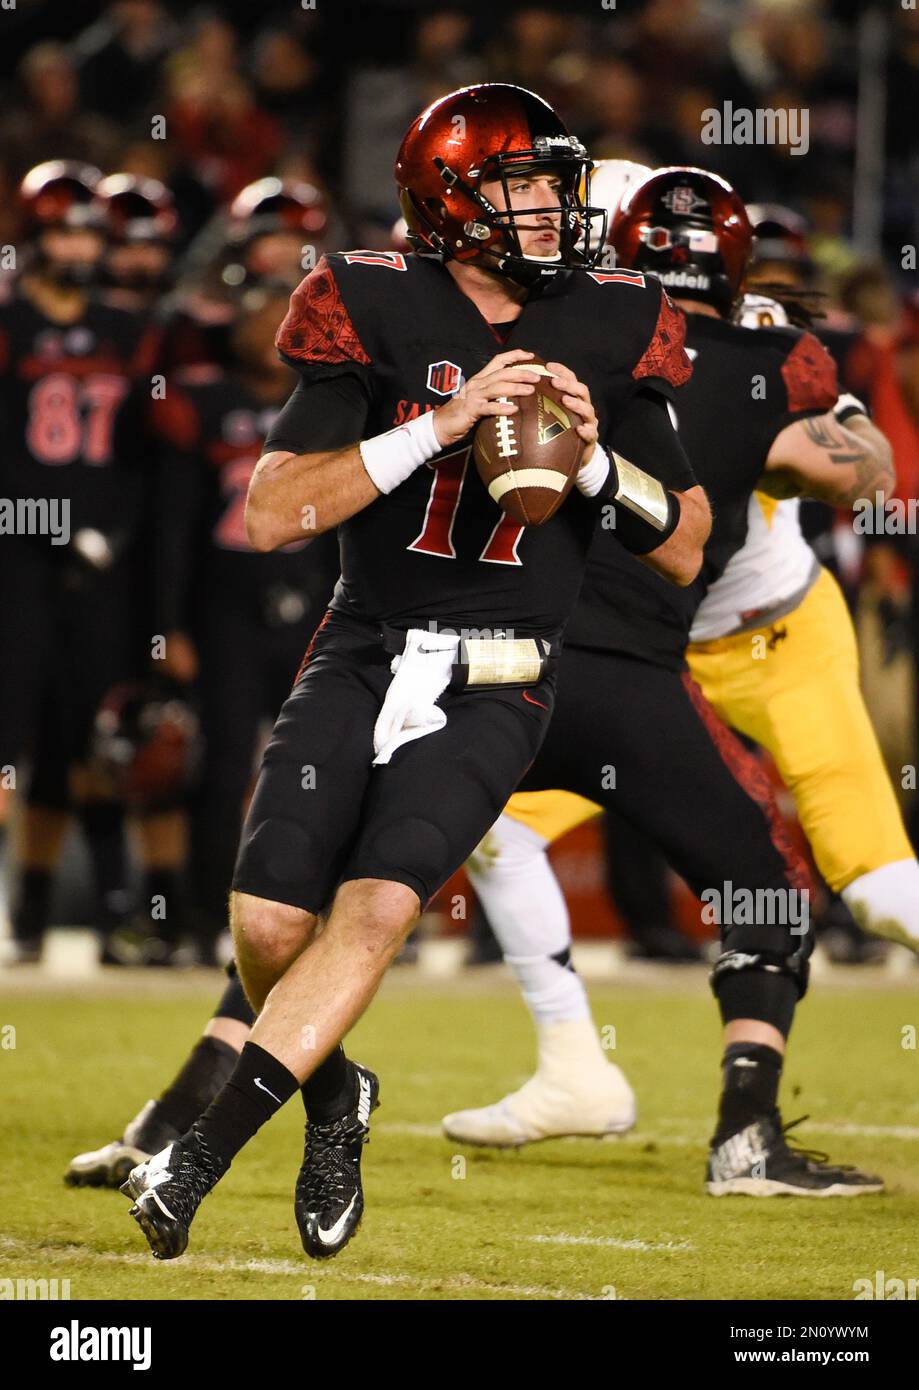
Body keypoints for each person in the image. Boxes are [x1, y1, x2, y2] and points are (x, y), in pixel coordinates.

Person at [119, 83, 708, 1262]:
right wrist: (437, 428)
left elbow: (685, 542)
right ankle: (337, 1096)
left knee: (382, 903)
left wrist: (593, 465)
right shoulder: (374, 301)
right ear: (451, 198)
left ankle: (199, 1157)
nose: (553, 207)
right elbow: (274, 512)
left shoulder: (610, 315)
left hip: (500, 671)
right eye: (524, 185)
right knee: (272, 921)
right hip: (364, 644)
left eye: (556, 183)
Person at [444, 167, 892, 1198]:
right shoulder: (766, 362)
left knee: (353, 866)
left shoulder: (551, 326)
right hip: (631, 677)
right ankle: (743, 1135)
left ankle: (212, 1090)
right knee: (766, 892)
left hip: (489, 653)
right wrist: (839, 400)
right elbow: (859, 472)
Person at [0, 161, 162, 963]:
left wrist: (105, 535)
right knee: (10, 743)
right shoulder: (9, 324)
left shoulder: (130, 334)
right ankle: (22, 911)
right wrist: (45, 526)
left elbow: (147, 463)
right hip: (16, 557)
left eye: (84, 232)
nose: (73, 246)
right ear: (33, 240)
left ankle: (111, 913)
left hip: (100, 567)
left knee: (94, 740)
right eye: (60, 231)